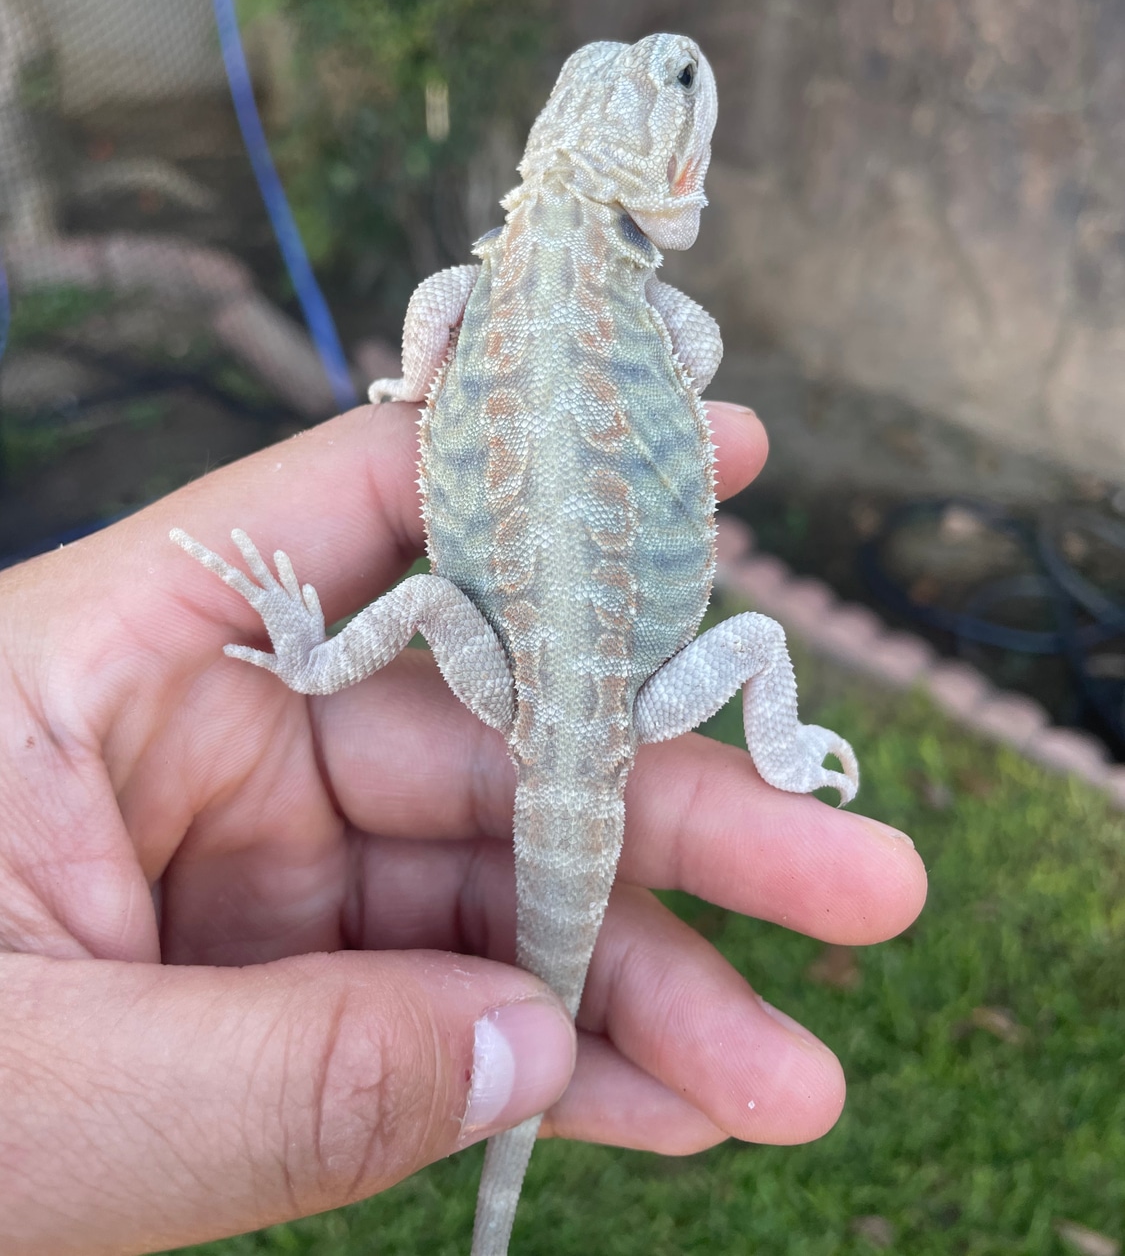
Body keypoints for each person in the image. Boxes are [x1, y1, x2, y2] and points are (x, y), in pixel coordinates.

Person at [0, 398, 926, 1253]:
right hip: (603, 696)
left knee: (448, 600)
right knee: (751, 636)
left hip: (575, 691)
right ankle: (780, 757)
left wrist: (408, 381)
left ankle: (316, 666)